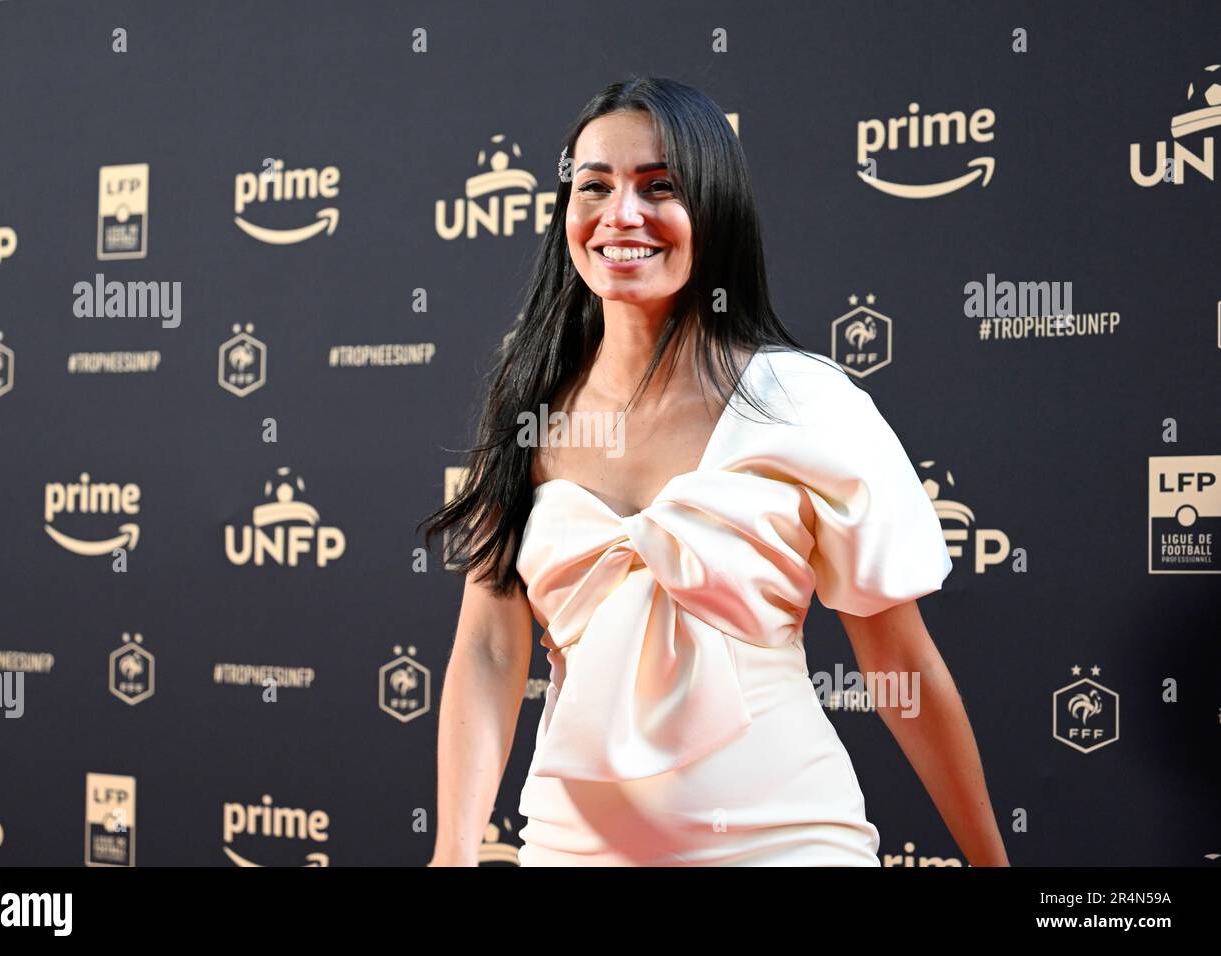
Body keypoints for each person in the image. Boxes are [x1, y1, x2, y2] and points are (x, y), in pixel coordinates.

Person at [420, 75, 1009, 867]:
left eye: (659, 187)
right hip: (574, 846)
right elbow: (490, 649)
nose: (620, 214)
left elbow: (897, 659)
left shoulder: (805, 401)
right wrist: (450, 857)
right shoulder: (525, 406)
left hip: (788, 842)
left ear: (716, 209)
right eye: (594, 186)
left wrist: (992, 863)